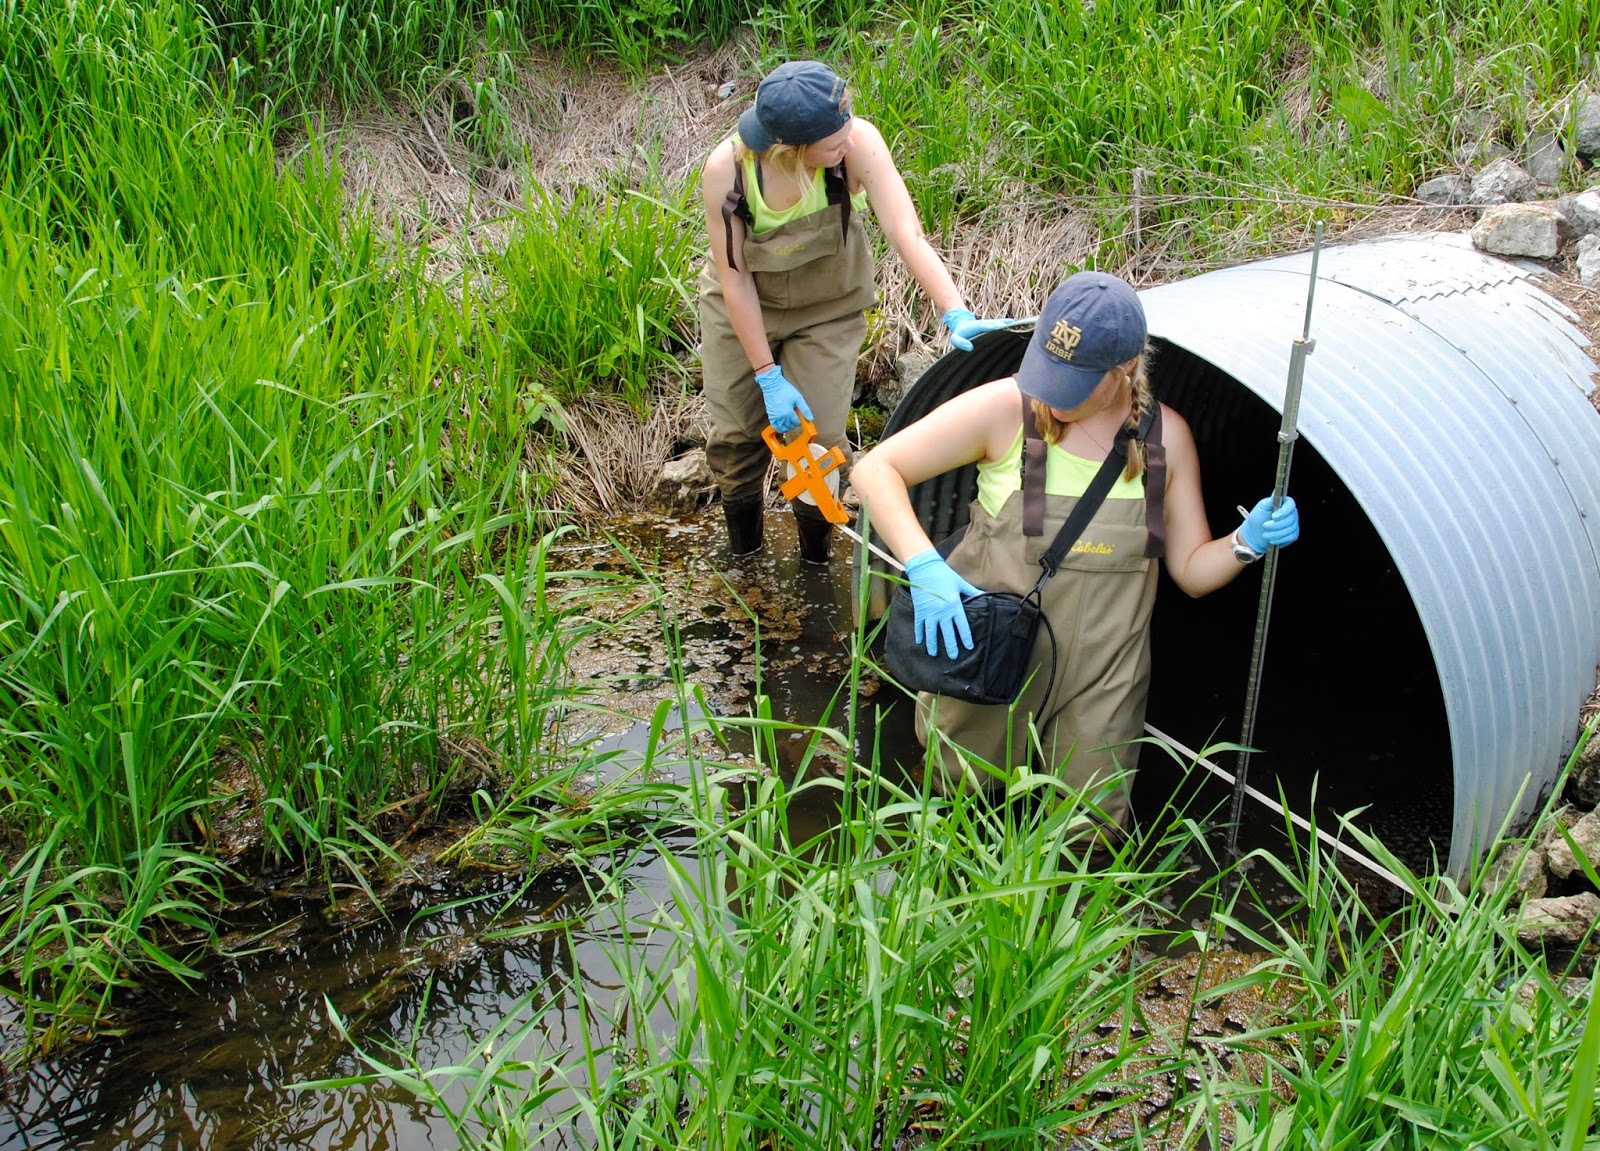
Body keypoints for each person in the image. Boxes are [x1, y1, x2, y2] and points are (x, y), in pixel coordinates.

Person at [848, 271, 1301, 830]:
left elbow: (1189, 571)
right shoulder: (1006, 410)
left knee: (1089, 836)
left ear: (1126, 367)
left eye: (1074, 381)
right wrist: (923, 564)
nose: (1050, 393)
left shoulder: (1167, 439)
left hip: (1104, 683)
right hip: (989, 665)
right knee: (958, 810)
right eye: (1048, 369)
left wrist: (1244, 543)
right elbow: (876, 470)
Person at [699, 59, 1013, 563]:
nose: (848, 143)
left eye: (847, 129)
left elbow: (906, 232)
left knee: (820, 443)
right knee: (736, 436)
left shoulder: (856, 143)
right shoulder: (729, 171)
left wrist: (955, 310)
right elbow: (734, 279)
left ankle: (815, 564)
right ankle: (745, 558)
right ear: (790, 151)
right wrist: (766, 374)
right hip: (742, 307)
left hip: (827, 309)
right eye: (832, 143)